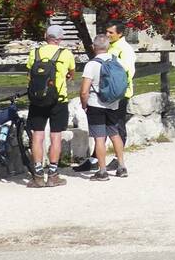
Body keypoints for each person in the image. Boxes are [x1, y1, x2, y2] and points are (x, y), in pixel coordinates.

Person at [23, 25, 74, 188]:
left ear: (46, 36)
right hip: (58, 99)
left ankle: (38, 175)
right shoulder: (66, 54)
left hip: (37, 100)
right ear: (60, 38)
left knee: (37, 136)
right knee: (55, 136)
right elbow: (71, 73)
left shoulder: (35, 53)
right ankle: (53, 174)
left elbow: (29, 74)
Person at [77, 36, 128, 181]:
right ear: (107, 46)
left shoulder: (92, 65)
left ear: (94, 47)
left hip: (96, 104)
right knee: (114, 134)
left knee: (99, 138)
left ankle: (102, 171)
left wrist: (84, 105)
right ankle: (122, 166)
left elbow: (84, 91)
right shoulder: (115, 60)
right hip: (113, 103)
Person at [103, 23, 136, 174]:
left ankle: (118, 159)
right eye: (106, 32)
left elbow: (128, 69)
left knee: (118, 125)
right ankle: (97, 158)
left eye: (111, 32)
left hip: (120, 93)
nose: (107, 35)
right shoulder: (111, 46)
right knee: (105, 124)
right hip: (108, 92)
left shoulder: (125, 49)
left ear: (120, 33)